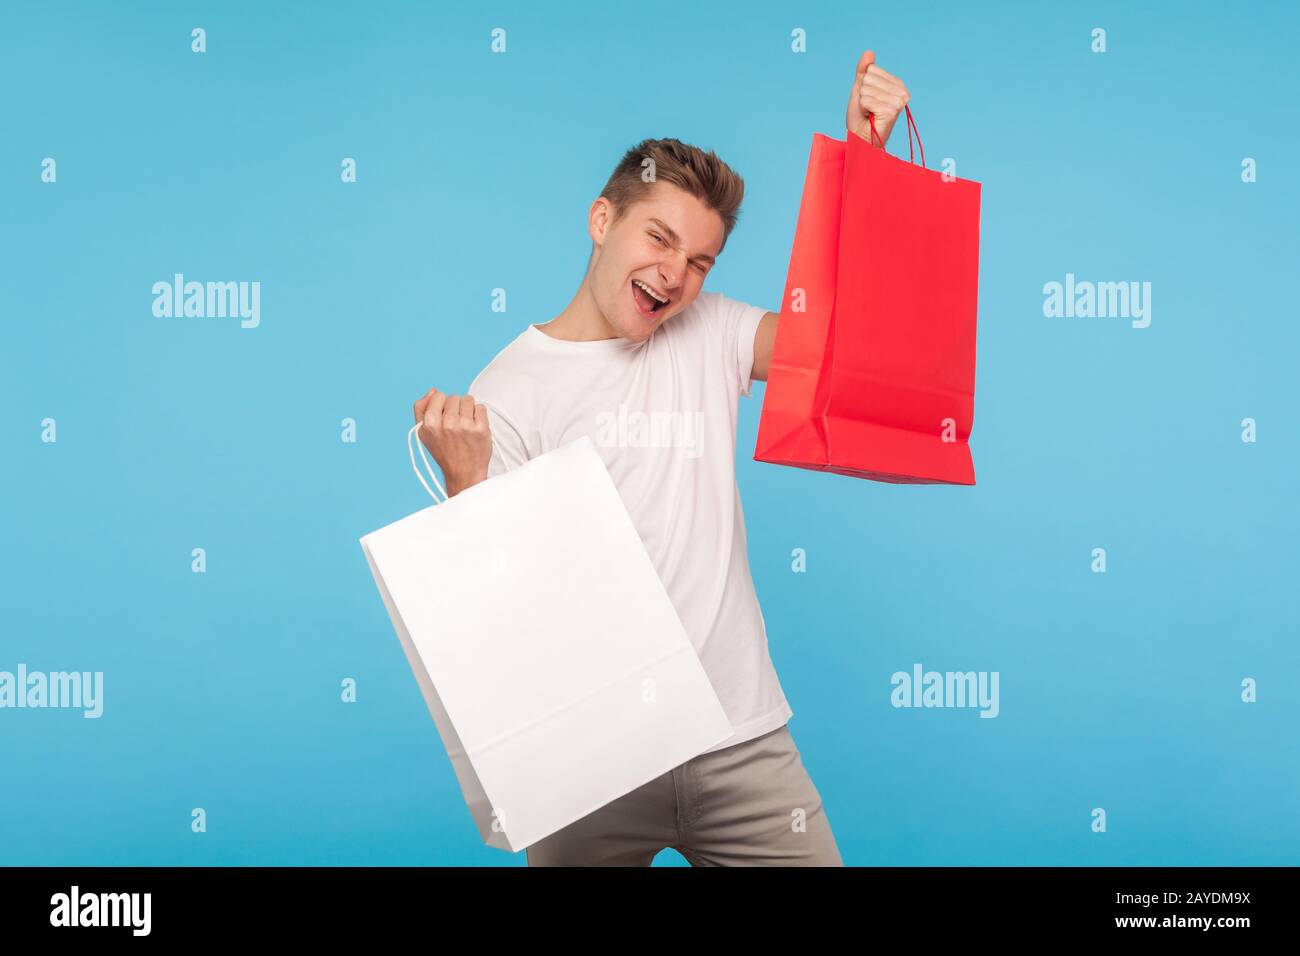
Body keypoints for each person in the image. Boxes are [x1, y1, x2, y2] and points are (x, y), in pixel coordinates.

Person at [413, 51, 910, 866]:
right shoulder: (507, 388)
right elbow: (493, 608)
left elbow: (835, 342)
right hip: (591, 764)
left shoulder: (709, 331)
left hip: (740, 742)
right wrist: (464, 477)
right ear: (602, 220)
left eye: (701, 260)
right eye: (660, 237)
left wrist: (868, 163)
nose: (675, 274)